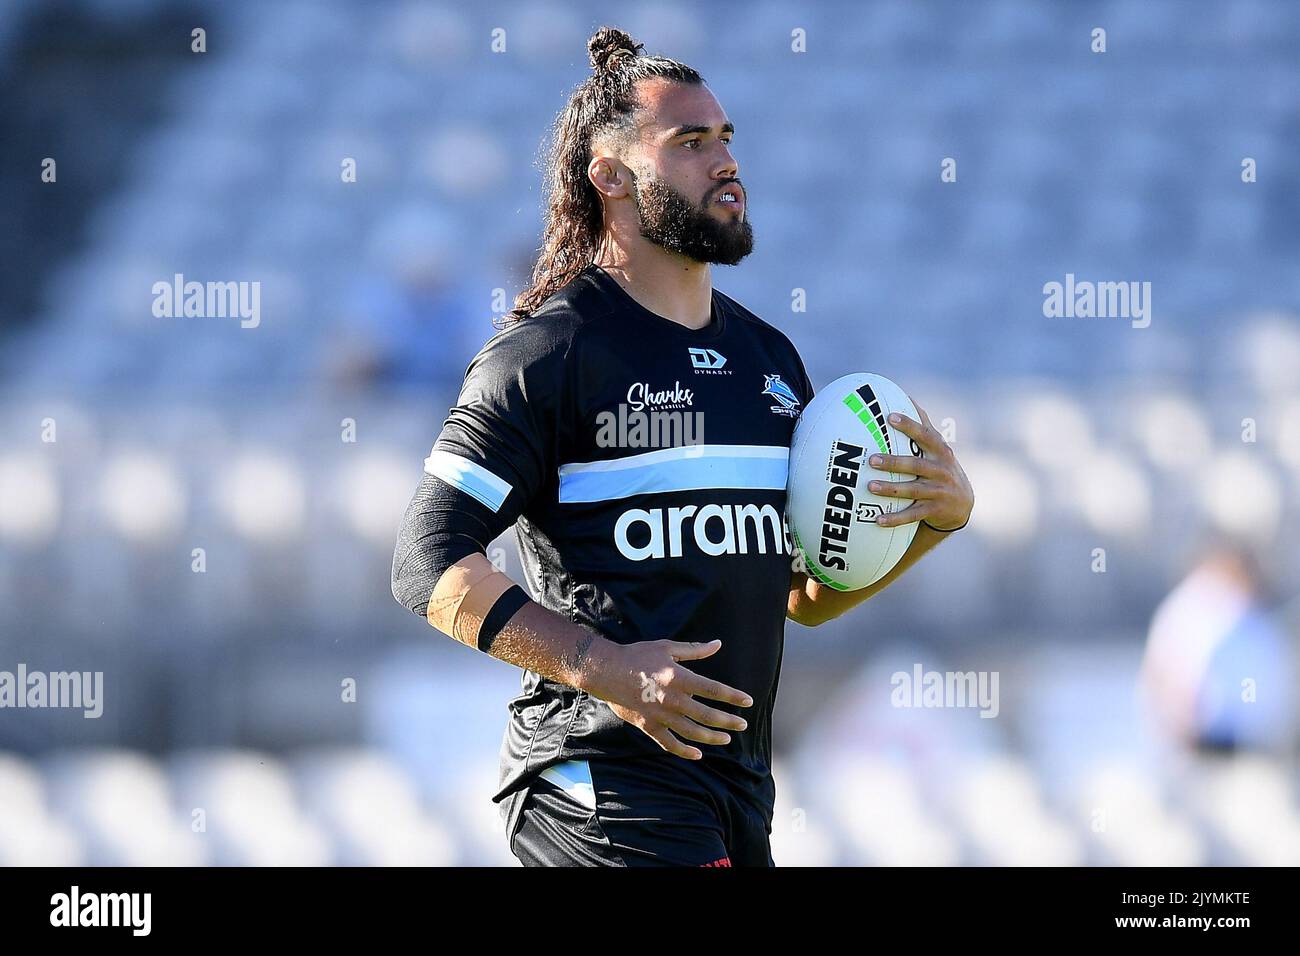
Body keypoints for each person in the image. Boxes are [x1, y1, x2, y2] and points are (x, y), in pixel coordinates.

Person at [391, 26, 974, 867]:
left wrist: (927, 527)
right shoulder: (547, 355)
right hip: (601, 782)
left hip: (735, 792)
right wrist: (604, 666)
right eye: (691, 142)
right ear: (612, 175)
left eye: (727, 138)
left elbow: (799, 597)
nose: (725, 161)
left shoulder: (770, 362)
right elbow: (426, 564)